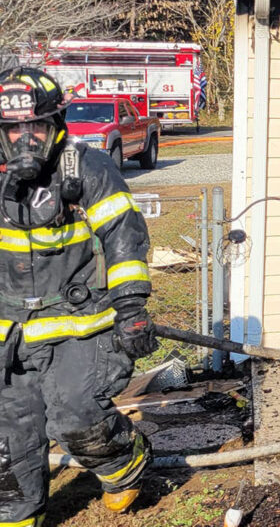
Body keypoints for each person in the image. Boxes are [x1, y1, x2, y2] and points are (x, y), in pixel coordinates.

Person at [0, 67, 156, 521]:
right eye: (13, 129)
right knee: (10, 440)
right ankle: (17, 516)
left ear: (58, 124)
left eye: (38, 127)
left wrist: (130, 306)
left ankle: (125, 464)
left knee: (75, 416)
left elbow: (123, 233)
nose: (25, 140)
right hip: (10, 336)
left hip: (79, 328)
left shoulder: (84, 167)